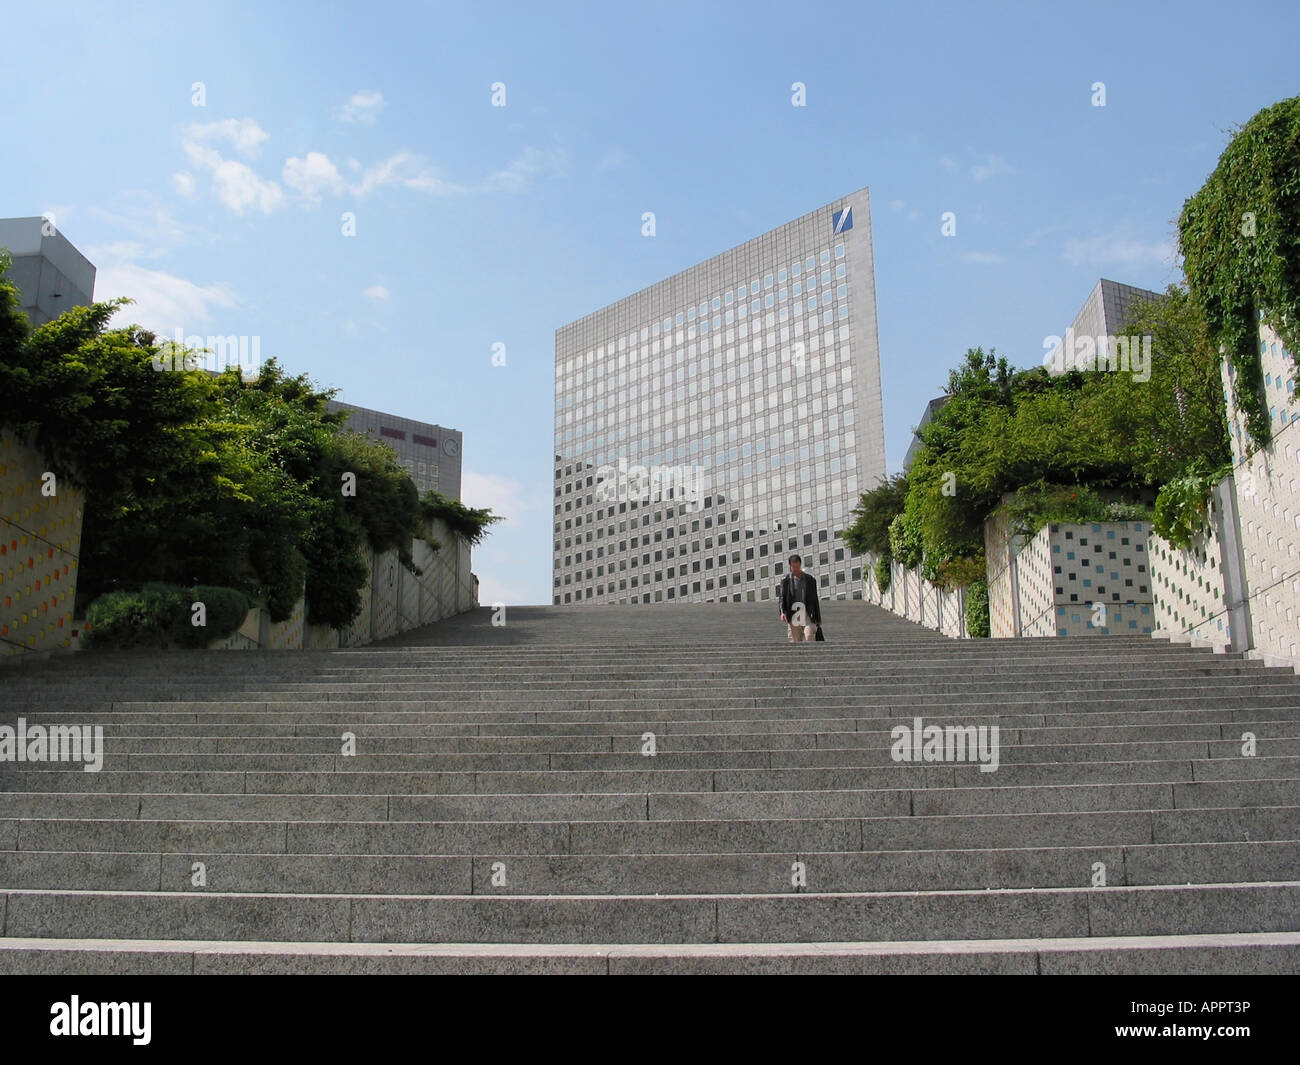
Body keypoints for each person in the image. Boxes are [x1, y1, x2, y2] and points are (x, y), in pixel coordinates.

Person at [778, 554, 821, 642]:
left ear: (800, 565)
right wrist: (782, 612)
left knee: (809, 636)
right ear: (790, 566)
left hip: (807, 612)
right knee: (795, 640)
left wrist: (818, 618)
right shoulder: (786, 580)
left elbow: (815, 599)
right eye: (793, 567)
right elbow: (782, 597)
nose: (795, 569)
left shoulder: (810, 580)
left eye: (797, 566)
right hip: (793, 612)